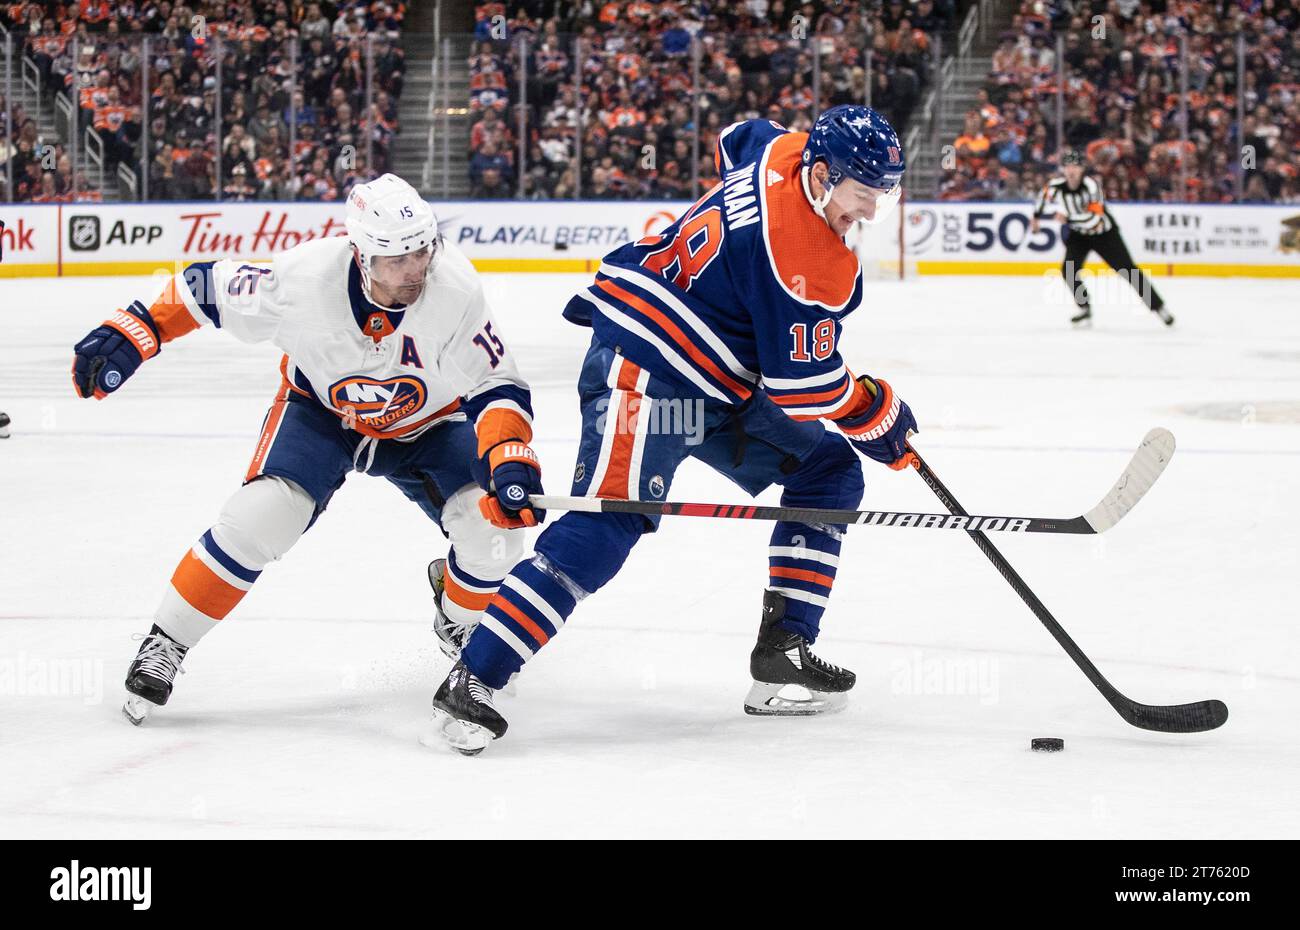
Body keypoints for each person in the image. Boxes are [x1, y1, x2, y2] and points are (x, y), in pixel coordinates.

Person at [428, 106, 918, 755]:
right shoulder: (807, 257)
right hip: (646, 372)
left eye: (880, 201)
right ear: (824, 174)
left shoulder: (781, 149)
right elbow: (805, 387)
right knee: (607, 523)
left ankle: (784, 652)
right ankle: (473, 678)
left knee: (827, 470)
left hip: (716, 384)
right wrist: (877, 413)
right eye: (861, 199)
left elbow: (736, 136)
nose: (866, 216)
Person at [70, 174, 545, 725]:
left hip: (431, 423)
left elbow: (496, 383)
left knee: (496, 533)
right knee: (261, 517)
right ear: (361, 255)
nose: (416, 269)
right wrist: (139, 329)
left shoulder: (455, 287)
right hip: (323, 414)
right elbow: (205, 287)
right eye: (397, 259)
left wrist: (508, 449)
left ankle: (457, 614)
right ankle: (167, 642)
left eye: (422, 250)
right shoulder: (303, 278)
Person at [1032, 150, 1174, 328]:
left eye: (1075, 166)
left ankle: (1159, 307)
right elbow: (1042, 197)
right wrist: (1035, 218)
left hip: (1104, 234)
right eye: (1067, 166)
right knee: (1068, 270)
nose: (1071, 170)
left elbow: (1095, 218)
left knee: (1128, 271)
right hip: (1079, 235)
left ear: (1082, 168)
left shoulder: (1091, 186)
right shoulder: (1056, 185)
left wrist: (1068, 219)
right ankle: (1084, 307)